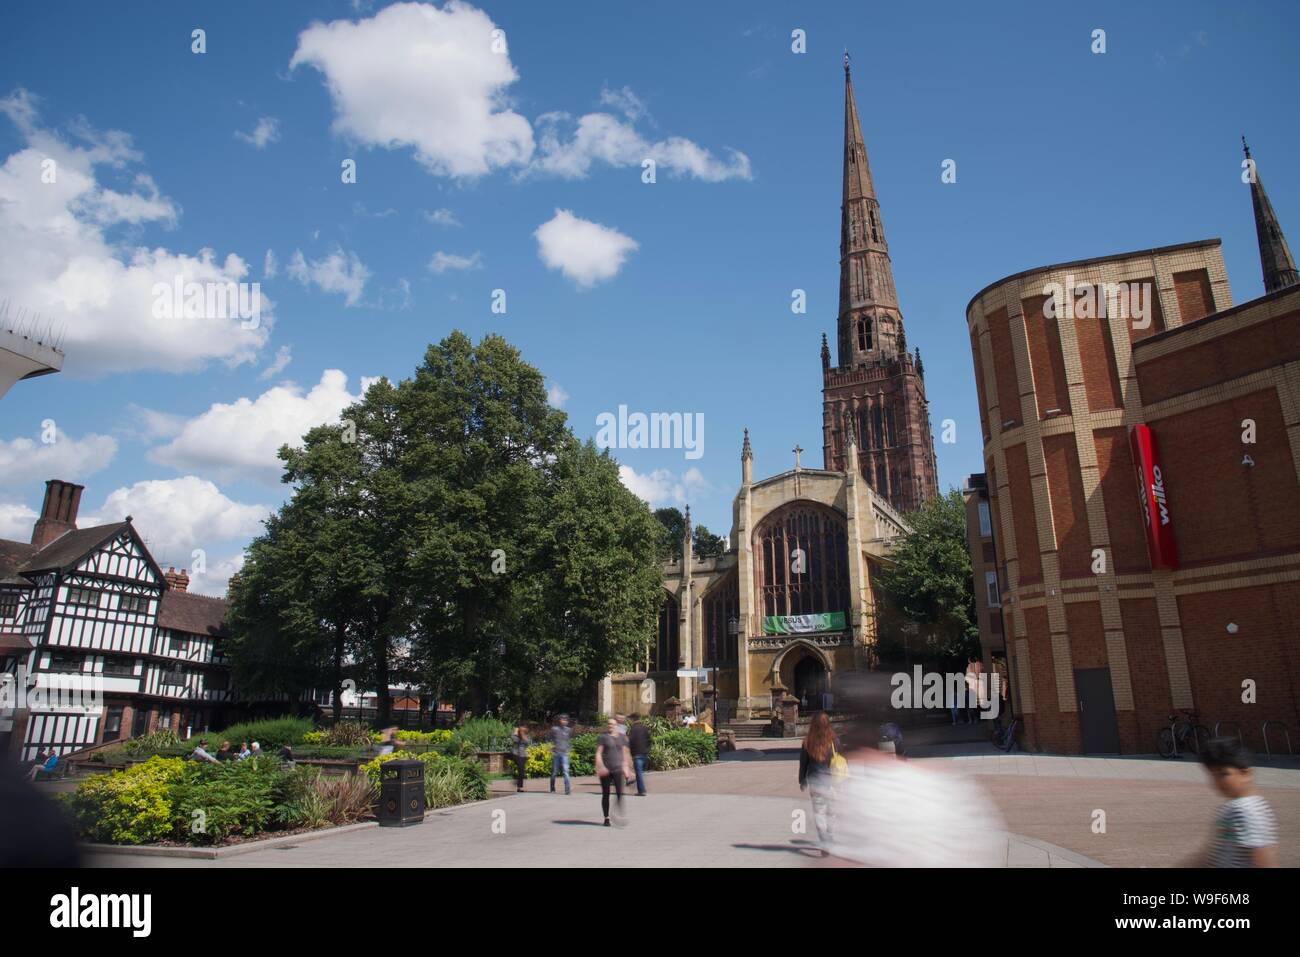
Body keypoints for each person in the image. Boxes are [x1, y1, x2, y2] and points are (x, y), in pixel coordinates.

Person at [1187, 738, 1278, 868]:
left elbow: (1264, 857)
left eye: (1224, 774)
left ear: (1246, 773)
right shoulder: (1231, 809)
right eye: (1213, 775)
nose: (1217, 781)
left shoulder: (1248, 811)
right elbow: (1211, 854)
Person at [798, 712, 839, 856]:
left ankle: (824, 841)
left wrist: (802, 780)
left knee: (819, 813)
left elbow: (803, 763)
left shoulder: (807, 741)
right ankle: (830, 837)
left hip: (815, 782)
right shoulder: (833, 740)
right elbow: (840, 759)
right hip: (831, 781)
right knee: (831, 813)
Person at [596, 716, 632, 827]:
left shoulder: (622, 737)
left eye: (612, 724)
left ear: (617, 726)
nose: (610, 726)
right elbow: (598, 753)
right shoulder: (603, 737)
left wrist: (626, 767)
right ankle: (606, 817)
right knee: (605, 794)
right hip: (606, 769)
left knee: (619, 793)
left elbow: (625, 753)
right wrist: (600, 766)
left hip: (617, 768)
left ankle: (618, 813)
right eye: (609, 724)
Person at [628, 714, 652, 796]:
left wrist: (631, 753)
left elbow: (631, 742)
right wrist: (647, 749)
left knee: (639, 773)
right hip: (644, 753)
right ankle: (640, 788)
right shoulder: (645, 728)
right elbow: (649, 740)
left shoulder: (633, 729)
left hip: (637, 754)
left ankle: (641, 790)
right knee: (640, 772)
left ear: (633, 720)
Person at [549, 714, 572, 795]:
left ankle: (567, 789)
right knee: (554, 772)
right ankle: (552, 788)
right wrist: (550, 746)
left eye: (565, 720)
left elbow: (569, 740)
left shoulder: (568, 730)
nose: (564, 721)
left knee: (566, 771)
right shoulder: (554, 729)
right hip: (556, 753)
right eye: (562, 720)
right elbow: (549, 738)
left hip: (565, 753)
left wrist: (569, 748)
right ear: (559, 720)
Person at [509, 724, 531, 793]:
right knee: (521, 771)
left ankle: (518, 785)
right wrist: (515, 732)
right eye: (521, 729)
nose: (522, 731)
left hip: (523, 756)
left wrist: (522, 735)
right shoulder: (516, 736)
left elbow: (527, 742)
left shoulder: (526, 736)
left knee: (522, 772)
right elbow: (513, 739)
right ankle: (519, 786)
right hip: (516, 754)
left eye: (523, 729)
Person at [964, 655, 984, 723]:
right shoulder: (980, 665)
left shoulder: (969, 667)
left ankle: (976, 719)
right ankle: (980, 718)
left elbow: (967, 678)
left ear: (969, 660)